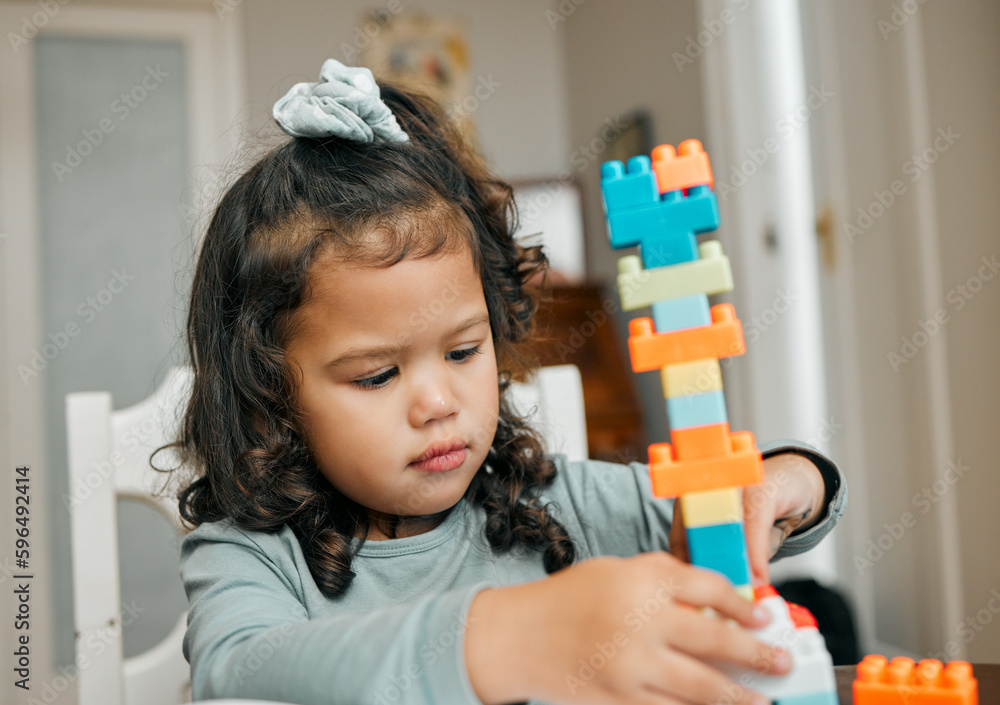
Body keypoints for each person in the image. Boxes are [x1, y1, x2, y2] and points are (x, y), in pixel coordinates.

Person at [173, 58, 847, 705]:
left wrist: (791, 478)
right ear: (273, 397)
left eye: (464, 351)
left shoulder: (555, 502)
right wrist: (512, 635)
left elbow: (731, 505)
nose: (439, 402)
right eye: (378, 375)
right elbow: (237, 676)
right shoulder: (249, 558)